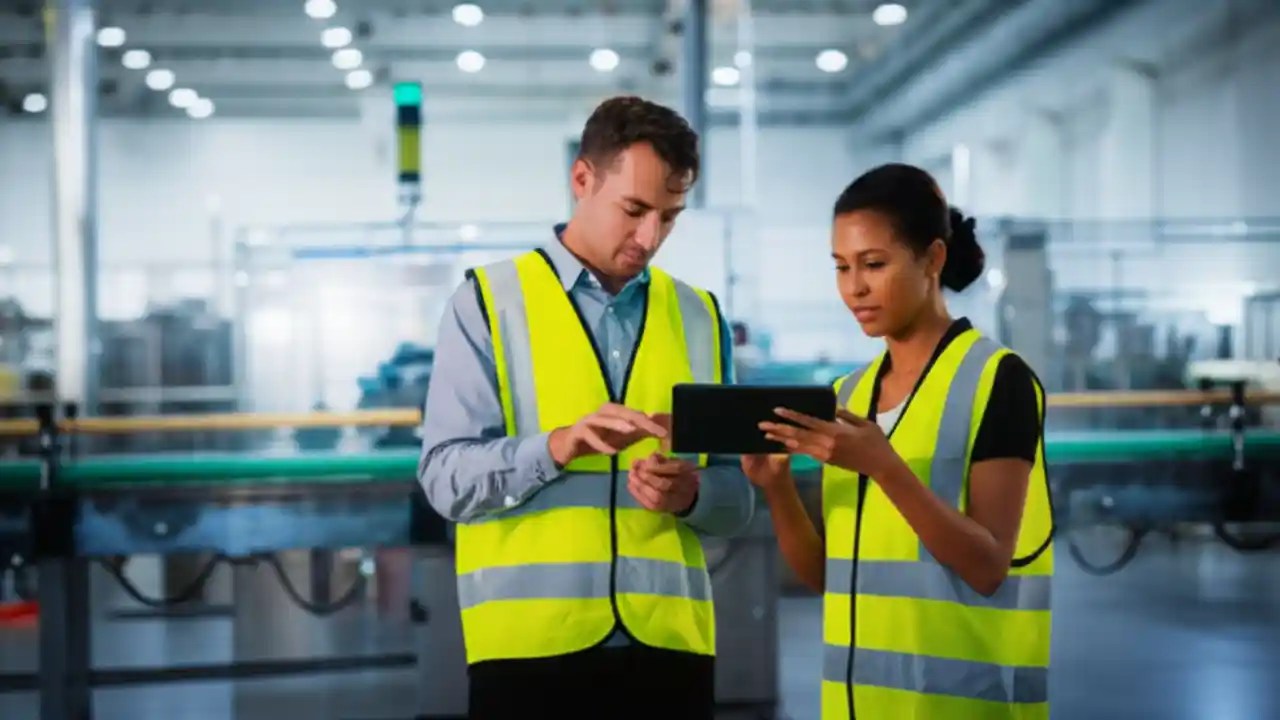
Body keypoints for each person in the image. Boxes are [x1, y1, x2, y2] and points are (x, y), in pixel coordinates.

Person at [418, 95, 755, 719]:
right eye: (635, 209)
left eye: (671, 217)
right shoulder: (489, 303)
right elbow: (444, 480)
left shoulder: (701, 317)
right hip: (529, 653)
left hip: (669, 650)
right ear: (581, 179)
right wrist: (558, 445)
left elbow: (736, 500)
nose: (650, 237)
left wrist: (690, 495)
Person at [742, 163, 1054, 720]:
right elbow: (828, 580)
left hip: (959, 707)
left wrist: (885, 468)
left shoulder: (997, 381)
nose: (854, 288)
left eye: (874, 264)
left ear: (932, 259)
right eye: (841, 267)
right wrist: (777, 491)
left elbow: (988, 567)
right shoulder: (849, 395)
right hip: (855, 705)